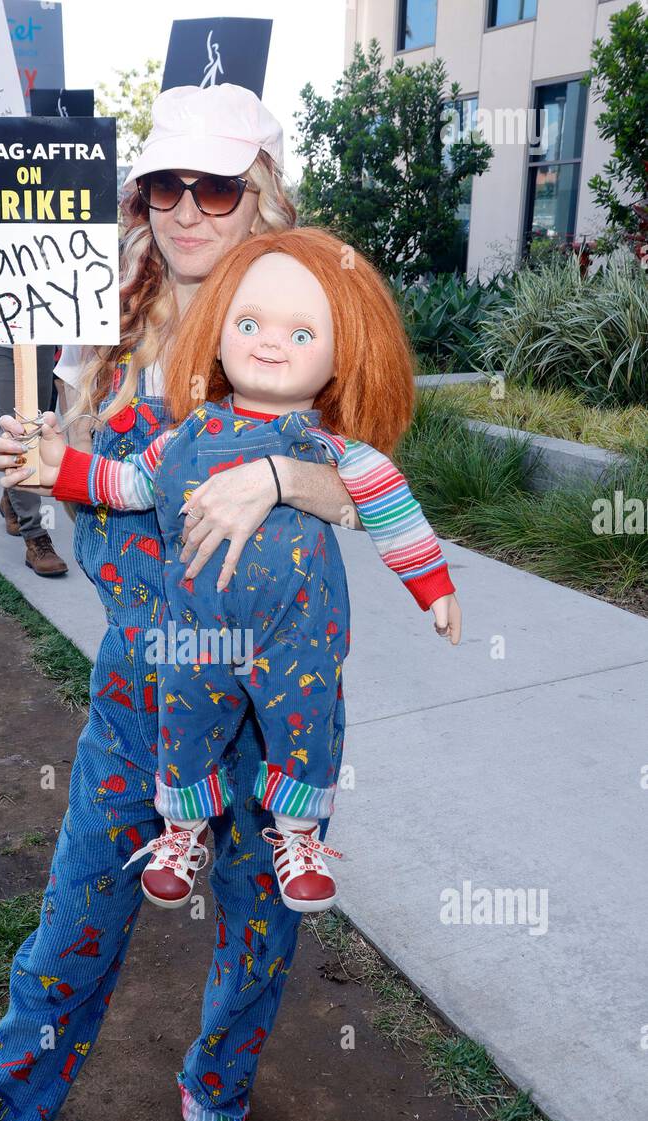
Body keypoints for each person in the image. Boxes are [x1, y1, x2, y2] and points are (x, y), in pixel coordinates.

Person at [0, 83, 451, 1121]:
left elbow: (378, 487)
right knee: (67, 943)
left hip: (275, 706)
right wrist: (46, 457)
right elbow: (105, 490)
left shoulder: (301, 305)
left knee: (257, 925)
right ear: (139, 199)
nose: (186, 208)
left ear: (261, 191)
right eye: (164, 186)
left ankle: (215, 1096)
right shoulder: (105, 319)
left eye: (214, 185)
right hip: (139, 699)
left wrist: (283, 483)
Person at [34, 227, 458, 914]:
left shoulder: (322, 445)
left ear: (342, 354)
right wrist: (66, 472)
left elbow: (387, 504)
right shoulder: (188, 432)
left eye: (300, 335)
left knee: (302, 723)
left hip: (297, 638)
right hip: (194, 632)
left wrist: (432, 585)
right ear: (220, 325)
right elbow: (132, 483)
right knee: (185, 719)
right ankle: (181, 830)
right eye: (251, 322)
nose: (268, 342)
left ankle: (296, 838)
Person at [0, 344, 68, 576]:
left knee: (39, 424)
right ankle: (36, 536)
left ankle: (11, 497)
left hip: (41, 335)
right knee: (19, 428)